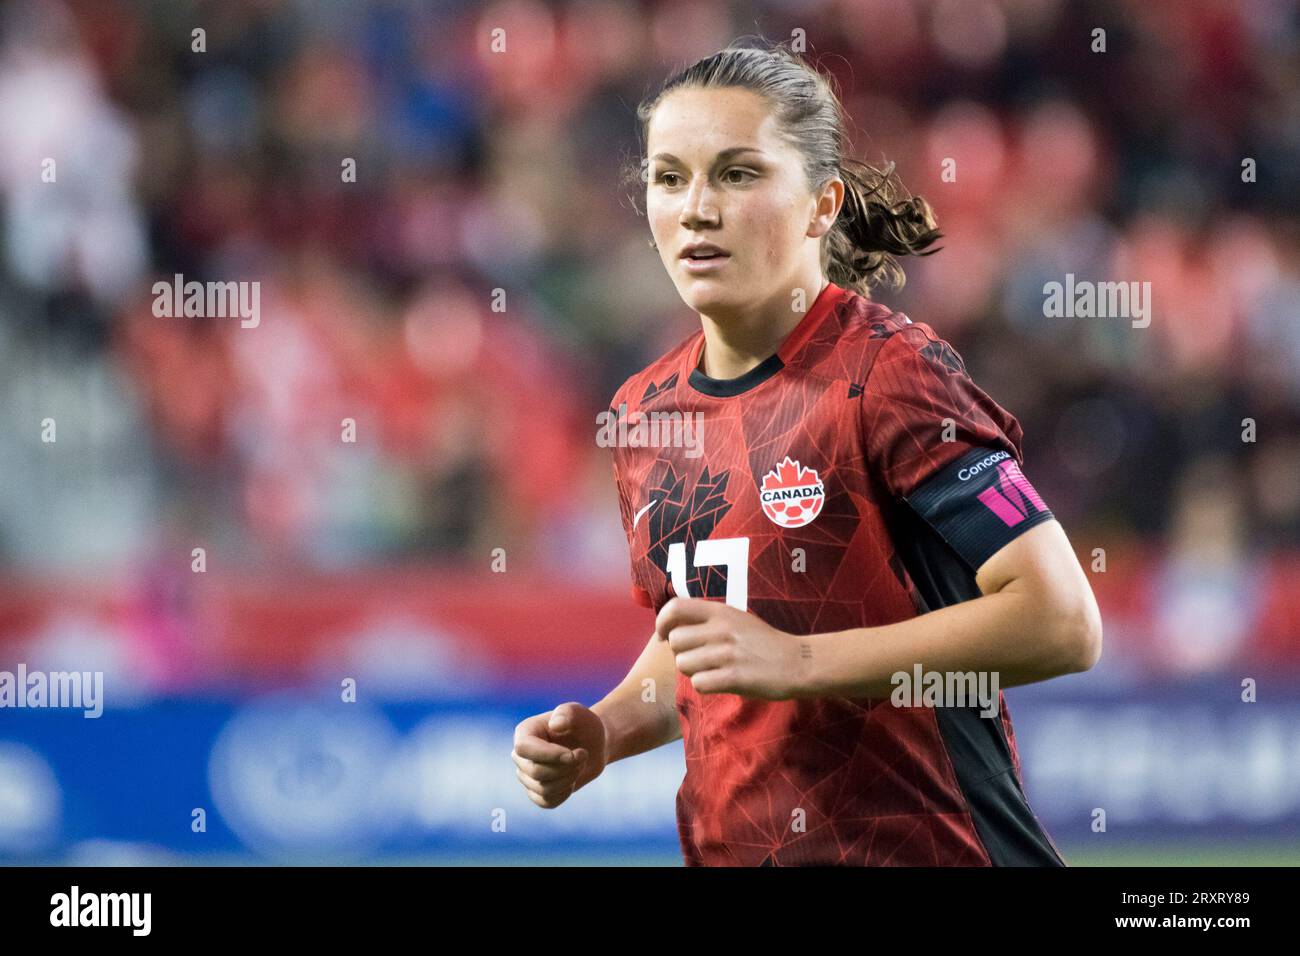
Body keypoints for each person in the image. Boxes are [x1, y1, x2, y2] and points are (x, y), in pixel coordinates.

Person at [512, 42, 1101, 866]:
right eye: (669, 177)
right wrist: (606, 729)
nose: (696, 208)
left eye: (739, 174)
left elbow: (1062, 621)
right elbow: (704, 641)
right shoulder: (644, 413)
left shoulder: (888, 375)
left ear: (823, 204)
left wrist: (801, 660)